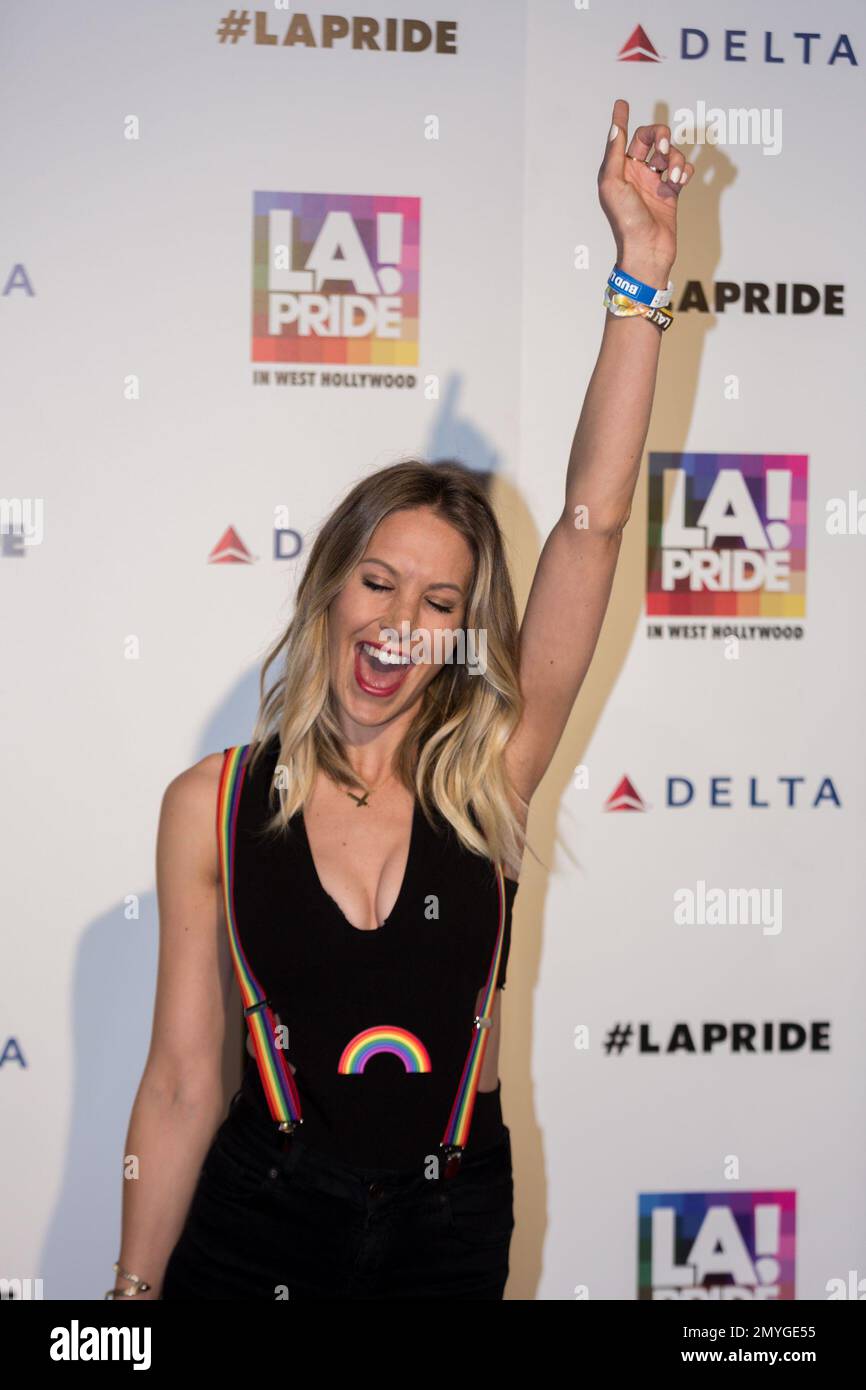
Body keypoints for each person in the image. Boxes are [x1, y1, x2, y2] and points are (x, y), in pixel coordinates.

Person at [110, 100, 692, 1301]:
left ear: (469, 628)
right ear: (328, 591)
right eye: (376, 582)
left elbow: (589, 526)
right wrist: (124, 1309)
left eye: (438, 600)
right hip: (257, 1219)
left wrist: (637, 278)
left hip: (450, 1220)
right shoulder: (208, 806)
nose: (397, 622)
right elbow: (179, 1076)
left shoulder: (494, 776)